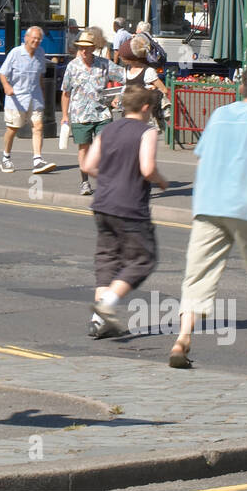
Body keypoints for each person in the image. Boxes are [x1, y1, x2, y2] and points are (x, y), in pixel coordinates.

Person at [169, 66, 247, 369]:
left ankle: (182, 339)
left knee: (196, 275)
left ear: (242, 88)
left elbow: (201, 155)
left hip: (208, 202)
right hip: (246, 205)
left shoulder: (219, 114)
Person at [80, 85, 168, 339]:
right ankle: (106, 305)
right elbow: (147, 168)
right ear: (145, 108)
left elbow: (88, 164)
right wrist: (162, 181)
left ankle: (99, 321)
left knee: (107, 258)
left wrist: (110, 175)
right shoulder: (147, 131)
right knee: (142, 260)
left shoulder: (107, 129)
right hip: (129, 205)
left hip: (103, 203)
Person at [60, 33, 125, 196]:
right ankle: (85, 182)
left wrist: (118, 97)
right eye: (81, 47)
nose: (83, 51)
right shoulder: (72, 66)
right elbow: (66, 93)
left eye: (86, 48)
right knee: (84, 148)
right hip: (80, 115)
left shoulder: (104, 64)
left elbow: (126, 78)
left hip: (102, 114)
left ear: (93, 48)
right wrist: (64, 116)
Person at [0, 26, 55, 174]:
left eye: (39, 39)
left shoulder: (41, 53)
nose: (36, 41)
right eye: (34, 38)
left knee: (38, 126)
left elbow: (40, 76)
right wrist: (6, 86)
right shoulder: (15, 53)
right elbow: (2, 73)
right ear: (26, 38)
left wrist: (42, 94)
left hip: (35, 97)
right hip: (16, 98)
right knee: (13, 129)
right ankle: (6, 158)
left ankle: (37, 160)